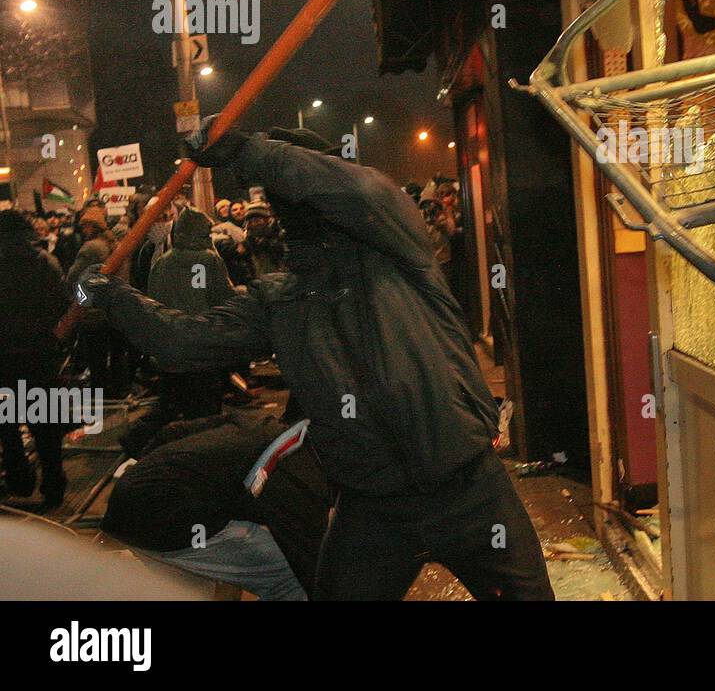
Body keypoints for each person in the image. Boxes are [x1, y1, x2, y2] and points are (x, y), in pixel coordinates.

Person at [77, 121, 553, 600]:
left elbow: (358, 190)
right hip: (374, 509)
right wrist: (110, 296)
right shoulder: (282, 299)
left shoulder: (398, 249)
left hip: (470, 489)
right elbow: (181, 342)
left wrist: (249, 152)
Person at [104, 411, 331, 601]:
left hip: (129, 504)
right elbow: (309, 562)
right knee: (287, 577)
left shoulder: (258, 424)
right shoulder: (298, 475)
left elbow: (172, 431)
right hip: (168, 521)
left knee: (202, 585)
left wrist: (157, 471)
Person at [121, 208, 237, 456]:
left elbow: (152, 303)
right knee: (205, 407)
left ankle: (137, 436)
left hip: (169, 345)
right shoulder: (208, 260)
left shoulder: (162, 263)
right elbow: (222, 298)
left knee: (172, 401)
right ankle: (203, 453)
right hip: (200, 345)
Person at [0, 210, 68, 508]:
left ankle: (19, 477)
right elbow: (62, 303)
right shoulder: (45, 262)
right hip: (39, 355)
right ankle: (53, 486)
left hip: (3, 357)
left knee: (7, 422)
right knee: (45, 425)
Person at [68, 203, 129, 398]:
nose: (83, 229)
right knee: (118, 354)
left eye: (85, 225)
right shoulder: (116, 245)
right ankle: (120, 390)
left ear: (92, 226)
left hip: (96, 311)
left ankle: (99, 393)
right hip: (117, 308)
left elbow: (73, 276)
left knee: (97, 356)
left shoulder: (91, 248)